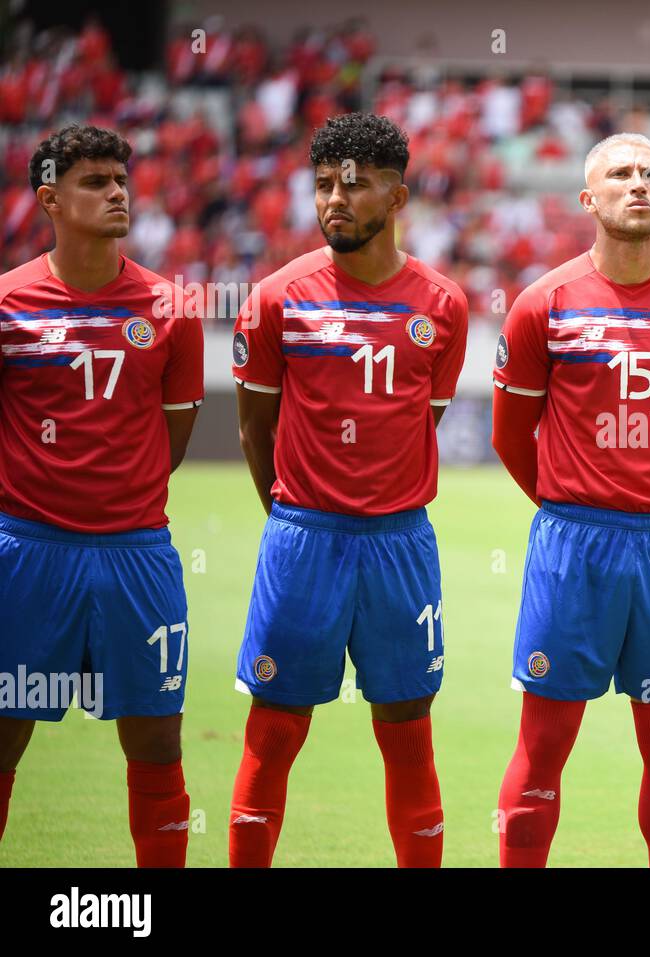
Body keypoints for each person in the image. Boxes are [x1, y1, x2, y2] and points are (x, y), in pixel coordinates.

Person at [227, 113, 468, 868]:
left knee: (407, 730)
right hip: (302, 538)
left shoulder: (443, 306)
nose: (335, 199)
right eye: (324, 184)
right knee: (273, 730)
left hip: (400, 543)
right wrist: (296, 519)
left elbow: (422, 419)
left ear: (397, 196)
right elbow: (253, 431)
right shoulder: (275, 298)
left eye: (354, 186)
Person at [491, 132, 650, 868]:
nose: (637, 184)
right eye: (620, 174)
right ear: (586, 199)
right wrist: (575, 503)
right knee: (543, 744)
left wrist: (649, 491)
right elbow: (512, 437)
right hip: (573, 545)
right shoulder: (544, 303)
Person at [0, 125, 204, 865]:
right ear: (50, 198)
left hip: (135, 554)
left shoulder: (170, 307)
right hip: (27, 553)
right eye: (95, 181)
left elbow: (171, 440)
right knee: (4, 729)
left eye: (121, 179)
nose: (117, 192)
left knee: (157, 736)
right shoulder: (9, 304)